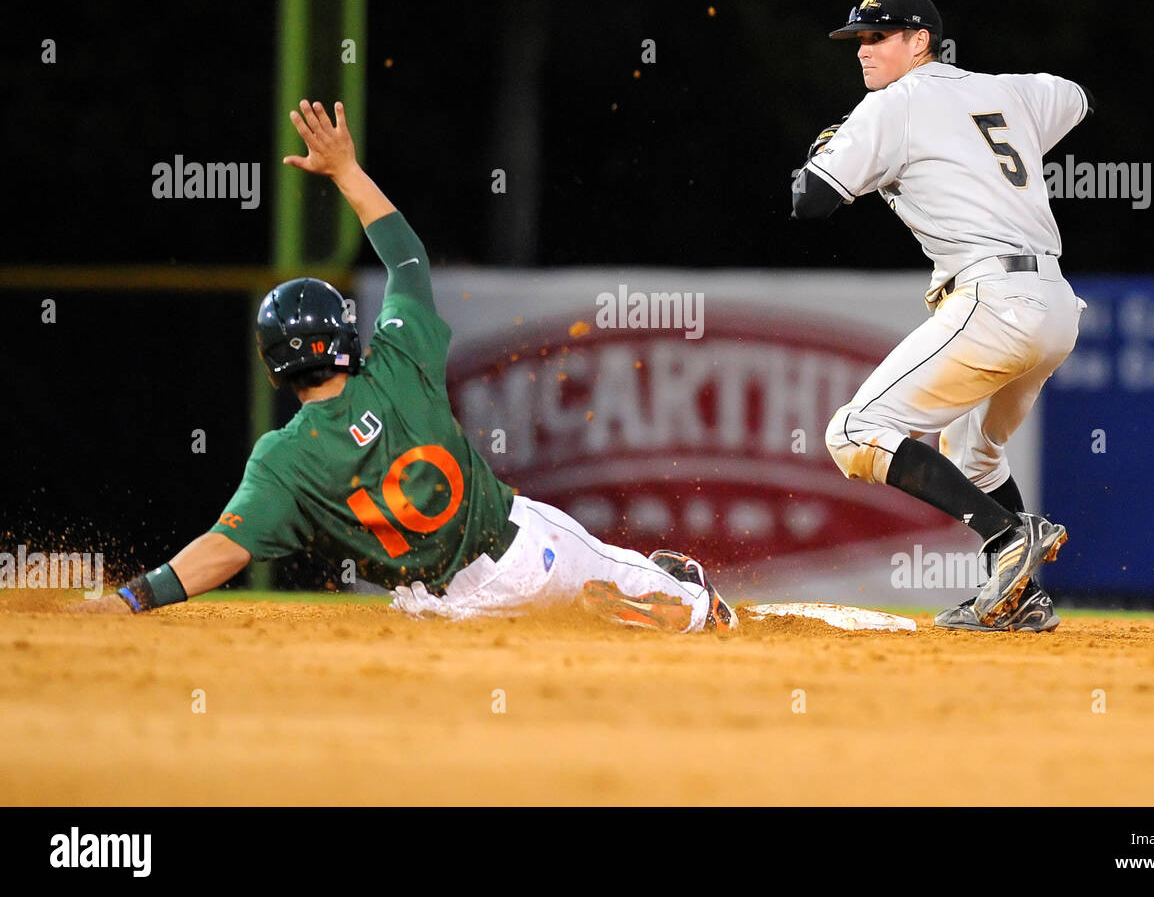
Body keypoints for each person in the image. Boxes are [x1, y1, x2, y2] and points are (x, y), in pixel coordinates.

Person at [77, 100, 734, 633]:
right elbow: (408, 259)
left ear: (275, 366)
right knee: (665, 604)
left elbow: (223, 550)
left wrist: (130, 600)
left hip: (446, 611)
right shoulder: (399, 361)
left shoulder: (285, 461)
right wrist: (344, 171)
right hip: (522, 551)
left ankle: (624, 599)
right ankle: (691, 602)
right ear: (341, 334)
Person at [792, 0, 1094, 631]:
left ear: (920, 40)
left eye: (879, 36)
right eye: (859, 40)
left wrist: (824, 150)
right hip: (1055, 308)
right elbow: (1077, 96)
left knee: (853, 433)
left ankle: (1006, 538)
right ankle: (1021, 597)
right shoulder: (1010, 91)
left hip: (993, 301)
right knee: (973, 456)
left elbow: (810, 202)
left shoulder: (889, 106)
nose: (864, 51)